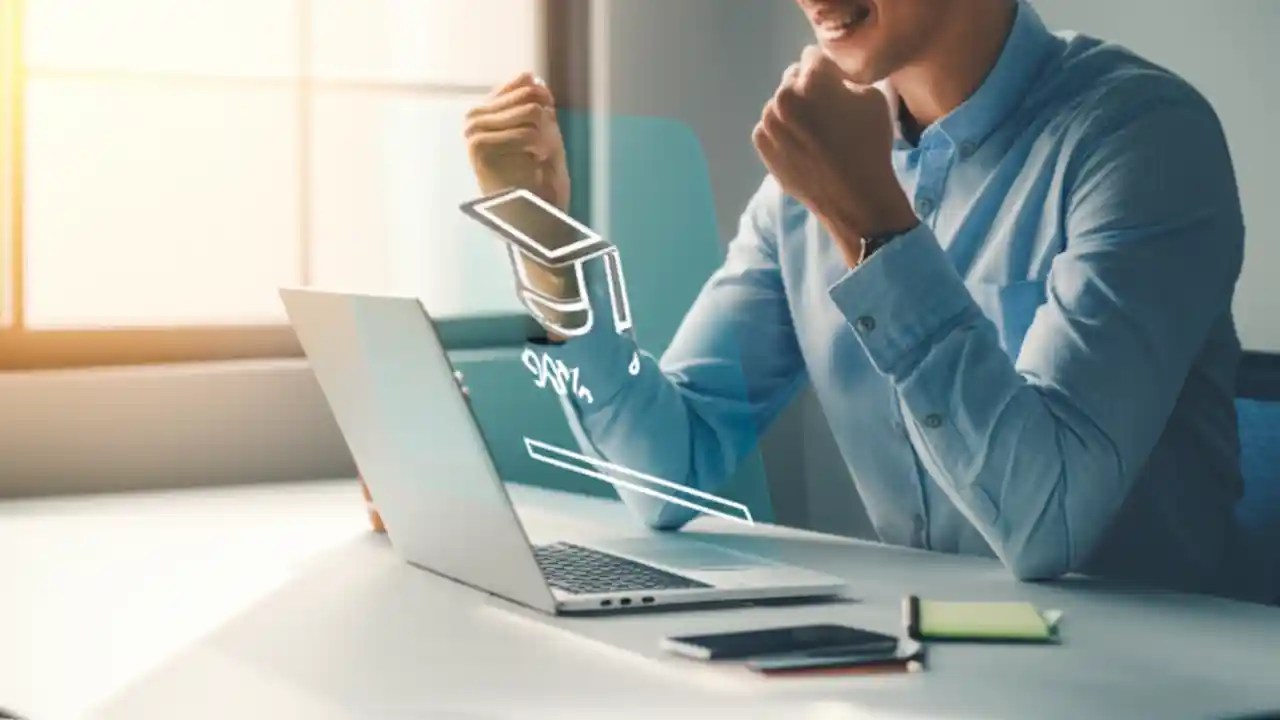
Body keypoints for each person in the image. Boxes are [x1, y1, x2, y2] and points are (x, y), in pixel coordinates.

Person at [464, 0, 1256, 600]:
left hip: (1151, 680)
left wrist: (869, 222)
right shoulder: (806, 179)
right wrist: (541, 239)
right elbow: (664, 472)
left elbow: (1048, 526)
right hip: (925, 657)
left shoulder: (1141, 139)